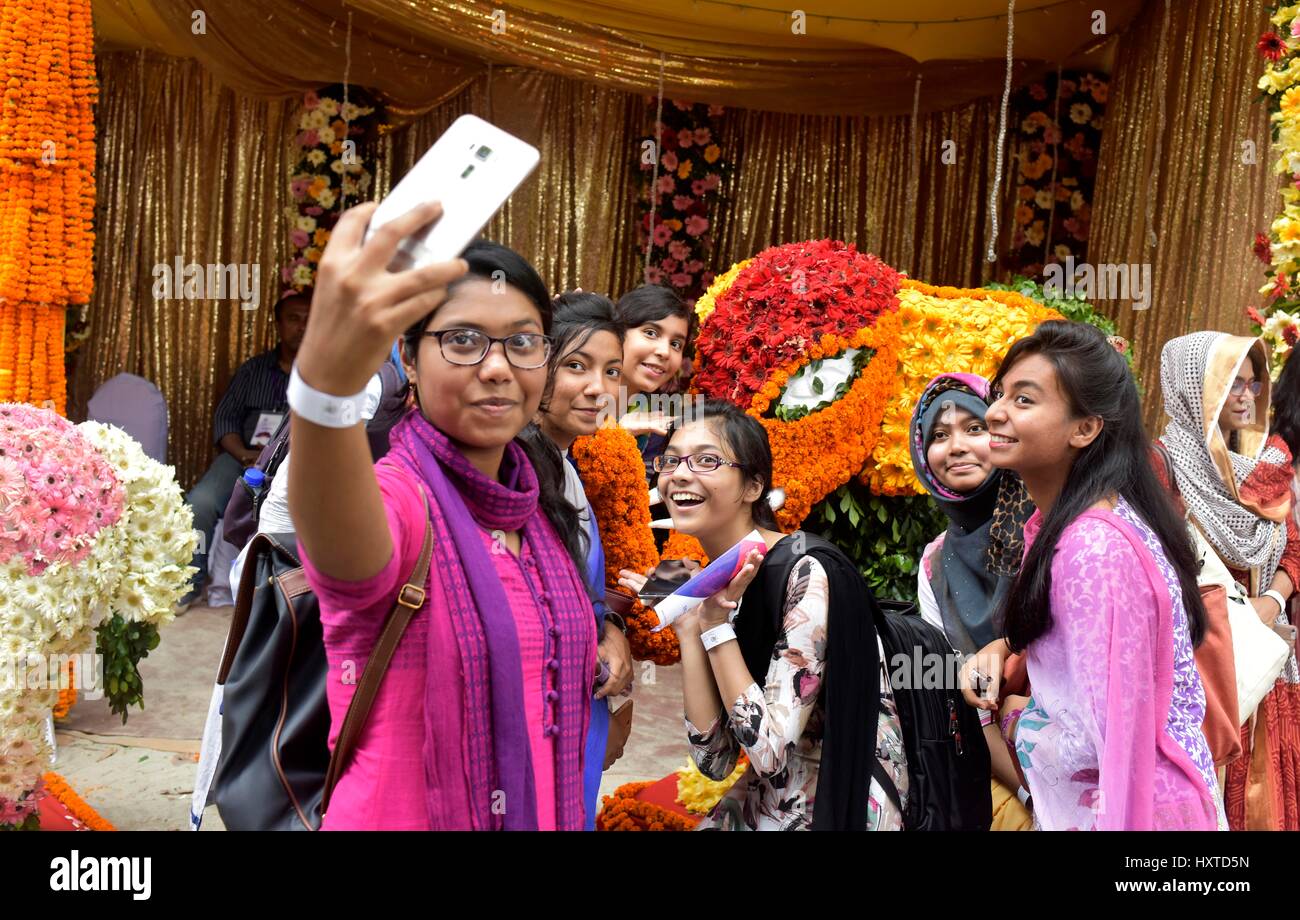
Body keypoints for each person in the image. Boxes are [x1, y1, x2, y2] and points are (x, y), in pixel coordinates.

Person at [288, 203, 597, 830]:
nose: (496, 366)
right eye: (461, 340)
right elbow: (342, 547)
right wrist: (326, 384)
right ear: (406, 354)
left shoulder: (536, 504)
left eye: (523, 341)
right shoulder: (399, 500)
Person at [962, 320, 1221, 830]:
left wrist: (1014, 717)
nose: (994, 412)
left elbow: (1112, 740)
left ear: (1085, 428)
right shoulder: (1071, 524)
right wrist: (1005, 647)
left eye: (1024, 400)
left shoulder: (1093, 547)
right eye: (1000, 395)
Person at [619, 399, 907, 830]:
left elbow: (771, 753)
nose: (679, 474)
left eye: (706, 461)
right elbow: (713, 760)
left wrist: (716, 629)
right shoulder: (718, 578)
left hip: (840, 801)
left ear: (753, 486)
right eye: (672, 460)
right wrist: (688, 623)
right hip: (779, 796)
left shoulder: (806, 572)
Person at [1151, 331, 1300, 830]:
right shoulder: (1160, 467)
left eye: (1253, 385)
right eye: (1232, 383)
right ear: (1193, 387)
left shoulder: (1270, 462)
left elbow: (1295, 548)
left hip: (1267, 662)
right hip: (1204, 659)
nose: (1245, 396)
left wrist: (1272, 603)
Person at [520, 290, 634, 828]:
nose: (599, 388)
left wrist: (608, 623)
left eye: (613, 371)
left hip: (575, 695)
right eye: (576, 366)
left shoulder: (563, 460)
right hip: (539, 710)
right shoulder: (519, 466)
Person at [910, 373, 1034, 828]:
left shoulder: (1051, 528)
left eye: (974, 428)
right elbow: (962, 690)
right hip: (1000, 770)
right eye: (939, 436)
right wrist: (1029, 793)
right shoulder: (934, 563)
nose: (956, 447)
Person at [181, 290, 310, 606]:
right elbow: (226, 418)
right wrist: (242, 455)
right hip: (245, 457)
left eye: (310, 319)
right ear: (277, 324)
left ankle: (290, 598)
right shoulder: (254, 370)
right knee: (200, 502)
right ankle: (191, 581)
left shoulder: (327, 372)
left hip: (298, 465)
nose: (302, 326)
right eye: (294, 319)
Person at [613, 284, 691, 481]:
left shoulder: (654, 424)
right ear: (617, 332)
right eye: (651, 333)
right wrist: (616, 437)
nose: (664, 352)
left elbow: (634, 498)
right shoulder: (579, 397)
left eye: (676, 344)